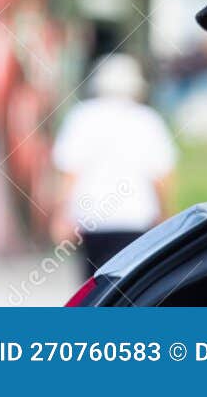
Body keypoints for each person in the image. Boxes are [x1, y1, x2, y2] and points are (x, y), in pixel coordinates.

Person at [49, 53, 177, 281]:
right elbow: (161, 177)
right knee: (130, 290)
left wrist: (61, 215)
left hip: (92, 222)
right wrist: (166, 217)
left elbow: (70, 173)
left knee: (93, 289)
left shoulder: (82, 117)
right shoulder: (148, 120)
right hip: (137, 221)